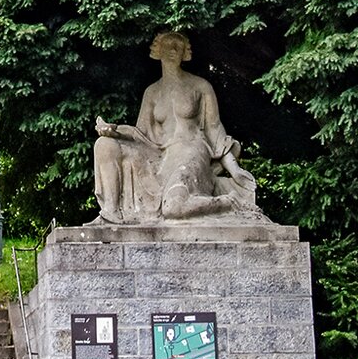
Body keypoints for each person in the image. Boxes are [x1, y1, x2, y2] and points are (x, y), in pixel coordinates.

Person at [92, 31, 264, 224]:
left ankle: (229, 202)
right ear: (158, 51)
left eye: (178, 46)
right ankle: (111, 214)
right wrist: (114, 131)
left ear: (185, 53)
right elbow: (141, 134)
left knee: (174, 207)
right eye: (168, 45)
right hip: (159, 154)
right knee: (104, 145)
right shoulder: (152, 92)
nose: (173, 50)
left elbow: (215, 130)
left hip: (191, 150)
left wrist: (235, 170)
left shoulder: (200, 86)